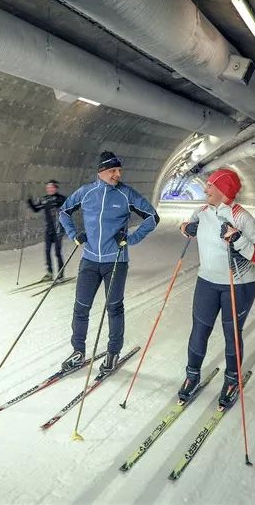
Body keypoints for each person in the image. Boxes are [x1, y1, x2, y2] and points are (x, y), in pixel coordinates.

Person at [58, 151, 159, 374]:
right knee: (81, 308)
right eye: (113, 170)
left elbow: (153, 217)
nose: (117, 174)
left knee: (114, 308)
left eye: (119, 170)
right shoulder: (86, 192)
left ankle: (113, 353)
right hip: (89, 260)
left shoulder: (126, 194)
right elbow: (64, 212)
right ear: (101, 172)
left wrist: (131, 239)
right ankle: (78, 352)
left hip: (116, 261)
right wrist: (75, 235)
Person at [176, 168, 255, 407]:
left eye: (210, 186)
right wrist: (186, 228)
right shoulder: (202, 212)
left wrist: (237, 239)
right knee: (199, 329)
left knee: (231, 335)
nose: (205, 189)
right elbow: (184, 226)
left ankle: (232, 379)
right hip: (206, 282)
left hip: (238, 285)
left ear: (223, 190)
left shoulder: (242, 218)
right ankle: (192, 376)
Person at [27, 180, 67, 281]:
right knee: (47, 251)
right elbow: (36, 209)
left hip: (58, 230)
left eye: (51, 187)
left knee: (57, 253)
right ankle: (49, 273)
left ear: (55, 188)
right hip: (49, 230)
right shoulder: (45, 199)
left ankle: (60, 274)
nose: (49, 189)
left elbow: (66, 208)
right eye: (47, 188)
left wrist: (57, 205)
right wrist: (30, 202)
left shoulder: (61, 199)